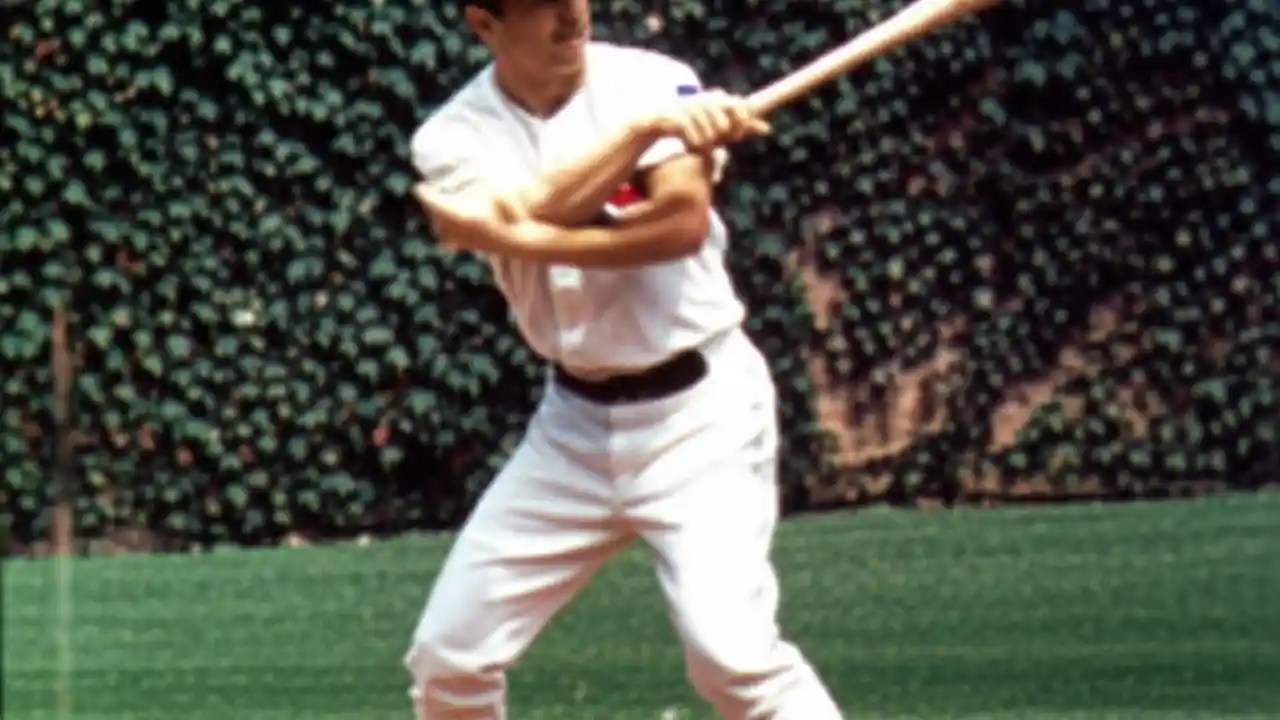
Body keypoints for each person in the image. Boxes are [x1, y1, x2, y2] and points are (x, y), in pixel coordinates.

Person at [401, 1, 845, 718]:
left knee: (733, 660)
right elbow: (520, 208)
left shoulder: (656, 81)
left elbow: (677, 225)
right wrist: (639, 139)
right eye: (543, 5)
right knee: (450, 659)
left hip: (700, 417)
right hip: (571, 432)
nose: (572, 15)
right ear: (484, 22)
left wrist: (520, 238)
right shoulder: (453, 135)